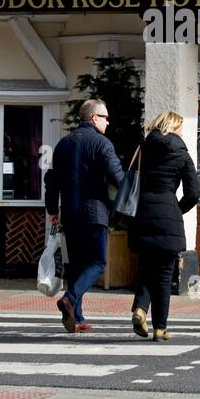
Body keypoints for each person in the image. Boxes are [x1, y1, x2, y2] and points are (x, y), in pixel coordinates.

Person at [44, 98, 124, 333]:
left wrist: (52, 210)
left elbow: (52, 181)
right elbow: (117, 178)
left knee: (77, 265)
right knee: (98, 263)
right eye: (106, 118)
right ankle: (70, 298)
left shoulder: (63, 144)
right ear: (94, 118)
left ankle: (76, 317)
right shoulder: (102, 144)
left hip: (70, 213)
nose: (108, 123)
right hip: (95, 212)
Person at [127, 111, 200, 341]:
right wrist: (177, 209)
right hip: (169, 213)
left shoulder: (143, 148)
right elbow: (193, 193)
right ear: (175, 128)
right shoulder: (182, 153)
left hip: (143, 212)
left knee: (147, 268)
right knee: (165, 274)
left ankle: (140, 309)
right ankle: (160, 328)